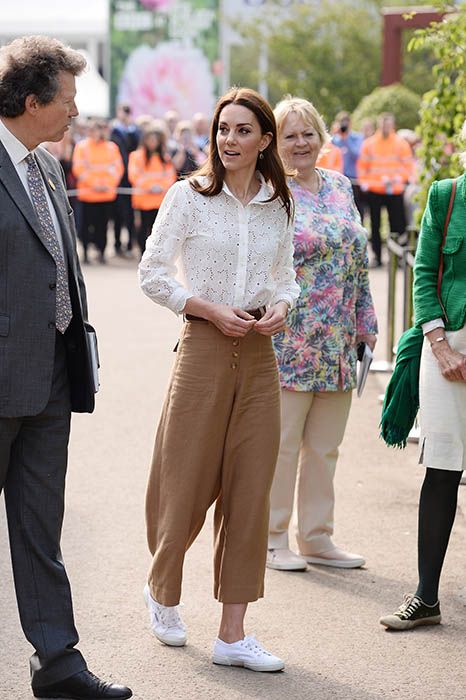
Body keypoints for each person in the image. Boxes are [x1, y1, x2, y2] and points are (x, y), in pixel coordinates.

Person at [139, 87, 299, 672]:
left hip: (260, 353)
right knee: (185, 480)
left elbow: (287, 277)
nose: (228, 140)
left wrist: (283, 304)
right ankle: (162, 593)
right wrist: (205, 308)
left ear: (264, 140)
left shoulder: (278, 203)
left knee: (250, 489)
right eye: (222, 129)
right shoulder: (188, 196)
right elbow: (152, 273)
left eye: (241, 131)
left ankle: (233, 633)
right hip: (204, 346)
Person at [0, 35, 131, 699]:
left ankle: (58, 665)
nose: (76, 112)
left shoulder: (49, 165)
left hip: (51, 378)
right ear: (30, 101)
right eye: (69, 100)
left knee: (40, 531)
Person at [267, 96, 378, 572]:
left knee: (325, 446)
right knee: (282, 444)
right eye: (290, 135)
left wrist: (366, 323)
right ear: (275, 142)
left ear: (321, 137)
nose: (300, 143)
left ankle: (316, 536)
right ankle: (271, 538)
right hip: (289, 338)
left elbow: (358, 261)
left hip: (337, 340)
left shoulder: (339, 185)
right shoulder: (269, 192)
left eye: (307, 133)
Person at [380, 133, 466, 631]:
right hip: (446, 348)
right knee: (442, 467)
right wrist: (440, 346)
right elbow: (425, 272)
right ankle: (426, 597)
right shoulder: (445, 195)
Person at [357, 112, 413, 267]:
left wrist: (398, 178)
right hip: (375, 189)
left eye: (388, 124)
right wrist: (364, 183)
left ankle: (399, 257)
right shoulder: (369, 144)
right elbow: (362, 167)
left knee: (397, 225)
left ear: (392, 125)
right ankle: (377, 257)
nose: (385, 127)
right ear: (379, 125)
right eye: (383, 124)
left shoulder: (401, 143)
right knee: (375, 226)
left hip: (394, 190)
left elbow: (408, 166)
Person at [72, 119, 124, 263]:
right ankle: (86, 253)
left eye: (98, 129)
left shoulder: (111, 147)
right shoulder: (82, 147)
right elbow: (79, 168)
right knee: (85, 226)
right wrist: (95, 184)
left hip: (106, 195)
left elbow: (117, 168)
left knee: (103, 226)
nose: (95, 132)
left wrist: (106, 184)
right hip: (87, 194)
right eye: (92, 129)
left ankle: (101, 253)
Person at [128, 123, 177, 255]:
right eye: (150, 139)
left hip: (159, 201)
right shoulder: (136, 156)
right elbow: (134, 175)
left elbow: (170, 176)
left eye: (155, 140)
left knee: (159, 229)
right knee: (142, 228)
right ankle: (142, 252)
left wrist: (160, 187)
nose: (152, 142)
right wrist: (150, 186)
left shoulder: (164, 158)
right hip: (143, 200)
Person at [110, 104, 140, 256]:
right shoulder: (113, 130)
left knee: (129, 214)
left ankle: (129, 244)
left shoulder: (134, 130)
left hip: (130, 178)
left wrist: (129, 126)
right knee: (116, 214)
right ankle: (116, 244)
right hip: (117, 178)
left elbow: (136, 145)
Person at [332, 111, 365, 221]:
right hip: (339, 179)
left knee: (358, 207)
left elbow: (357, 155)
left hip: (354, 179)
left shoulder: (357, 138)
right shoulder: (334, 140)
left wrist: (346, 140)